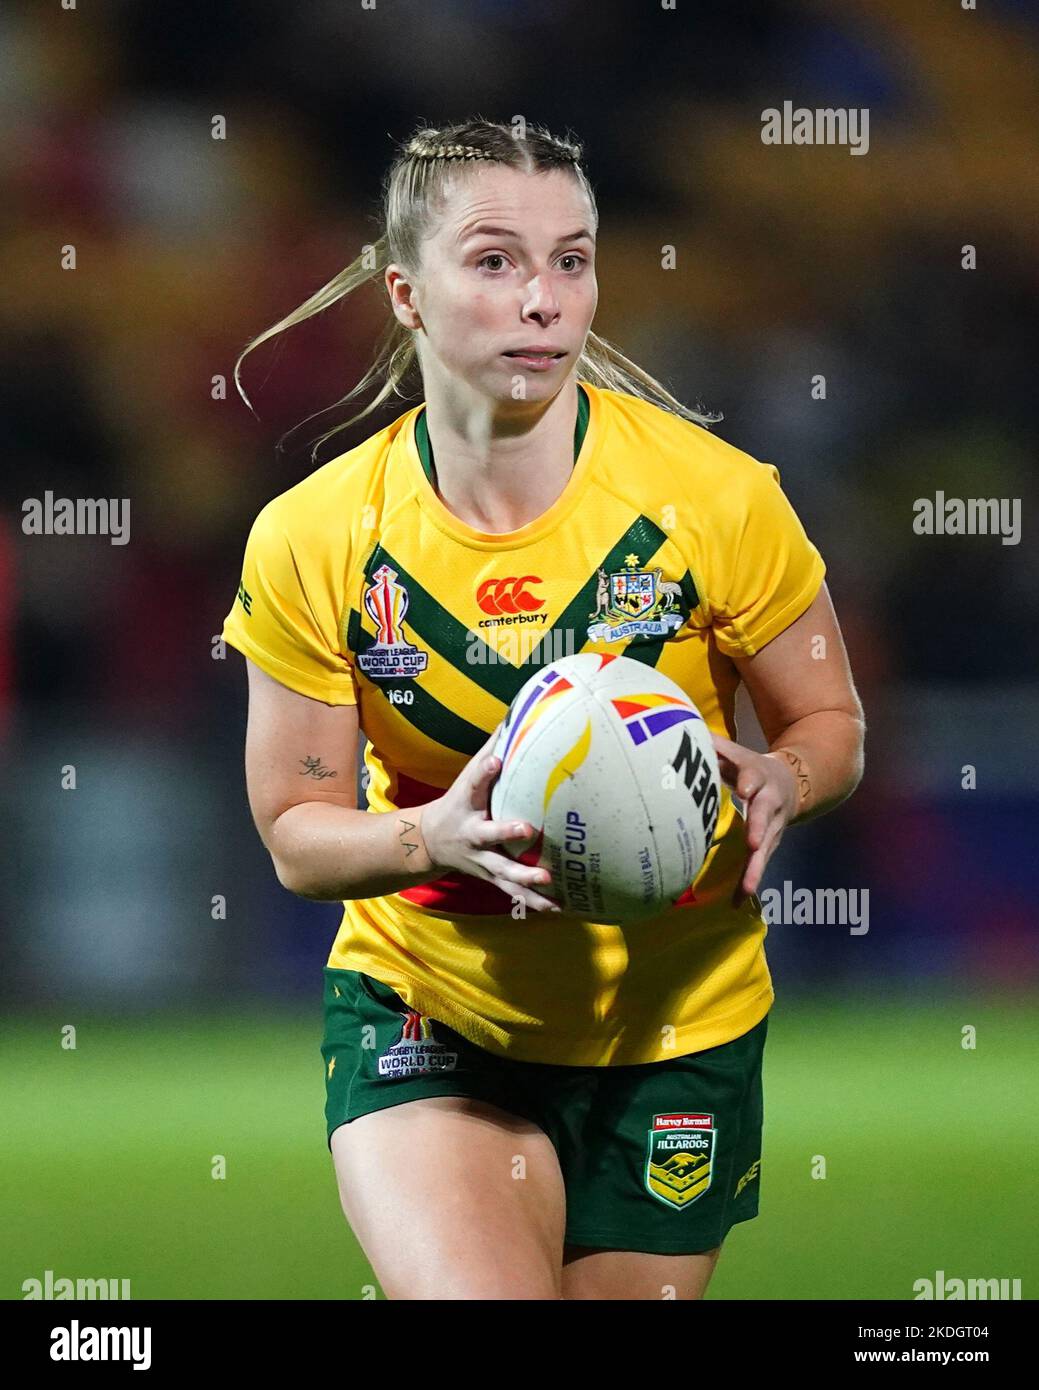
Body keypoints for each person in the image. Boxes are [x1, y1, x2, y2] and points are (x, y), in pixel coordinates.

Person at [220, 118, 865, 1301]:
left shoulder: (718, 500)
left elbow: (831, 724)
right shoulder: (314, 535)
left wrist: (789, 776)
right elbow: (295, 835)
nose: (543, 299)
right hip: (430, 1010)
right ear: (408, 293)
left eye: (571, 260)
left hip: (678, 1026)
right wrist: (432, 838)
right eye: (497, 260)